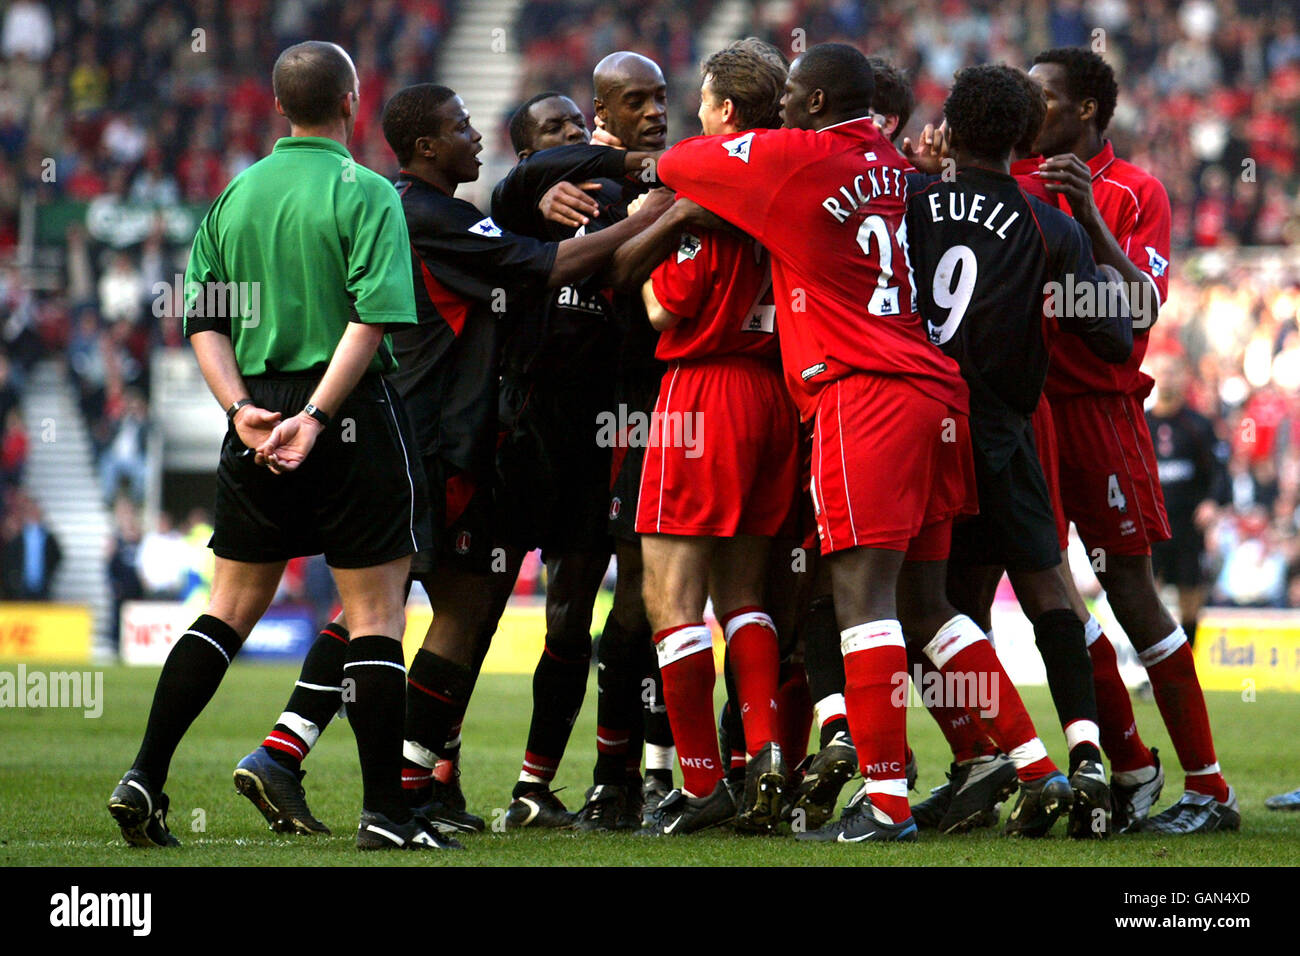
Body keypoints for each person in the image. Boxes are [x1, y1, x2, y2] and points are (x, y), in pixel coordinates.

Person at [230, 82, 671, 838]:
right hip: (433, 443)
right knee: (438, 610)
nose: (473, 137)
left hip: (433, 438)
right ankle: (393, 783)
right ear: (428, 147)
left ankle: (304, 757)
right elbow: (549, 267)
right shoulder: (428, 215)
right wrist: (665, 208)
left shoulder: (440, 211)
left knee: (401, 607)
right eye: (462, 127)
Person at [658, 43, 1071, 842]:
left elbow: (682, 161)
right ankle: (1039, 770)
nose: (780, 107)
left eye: (792, 99)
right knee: (928, 603)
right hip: (934, 392)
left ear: (814, 107)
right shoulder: (889, 159)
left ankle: (884, 801)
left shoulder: (796, 157)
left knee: (861, 602)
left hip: (860, 392)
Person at [106, 41, 448, 851]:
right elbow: (372, 317)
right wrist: (320, 417)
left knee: (226, 609)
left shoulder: (235, 196)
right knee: (374, 615)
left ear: (277, 106)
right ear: (352, 100)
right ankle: (386, 816)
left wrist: (240, 411)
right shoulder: (364, 192)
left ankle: (144, 777)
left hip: (256, 415)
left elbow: (205, 323)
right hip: (345, 409)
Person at [905, 64, 1134, 837]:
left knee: (934, 610)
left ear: (951, 127)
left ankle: (984, 758)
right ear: (1028, 137)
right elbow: (1113, 336)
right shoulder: (1049, 223)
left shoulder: (910, 203)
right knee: (1048, 596)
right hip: (1005, 432)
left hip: (920, 429)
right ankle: (1088, 762)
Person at [1030, 46, 1238, 834]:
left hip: (1103, 415)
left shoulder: (1136, 190)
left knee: (1130, 593)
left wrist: (1086, 217)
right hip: (1029, 416)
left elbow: (1141, 306)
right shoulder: (1013, 177)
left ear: (1085, 109)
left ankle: (1210, 789)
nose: (1031, 112)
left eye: (1044, 98)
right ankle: (1129, 766)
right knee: (1053, 594)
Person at [631, 39, 799, 836]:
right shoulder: (791, 180)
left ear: (726, 112)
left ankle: (702, 784)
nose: (693, 114)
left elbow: (667, 308)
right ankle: (763, 752)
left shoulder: (704, 183)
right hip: (775, 395)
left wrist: (647, 229)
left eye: (701, 100)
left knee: (669, 595)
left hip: (705, 391)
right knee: (745, 593)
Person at [1146, 350, 1230, 648]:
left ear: (1182, 378)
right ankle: (1152, 669)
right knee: (1146, 598)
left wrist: (1211, 503)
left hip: (1187, 526)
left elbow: (1219, 471)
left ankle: (1187, 665)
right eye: (1162, 372)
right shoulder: (1141, 424)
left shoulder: (1198, 425)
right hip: (1151, 528)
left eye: (1172, 372)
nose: (1167, 378)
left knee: (1191, 598)